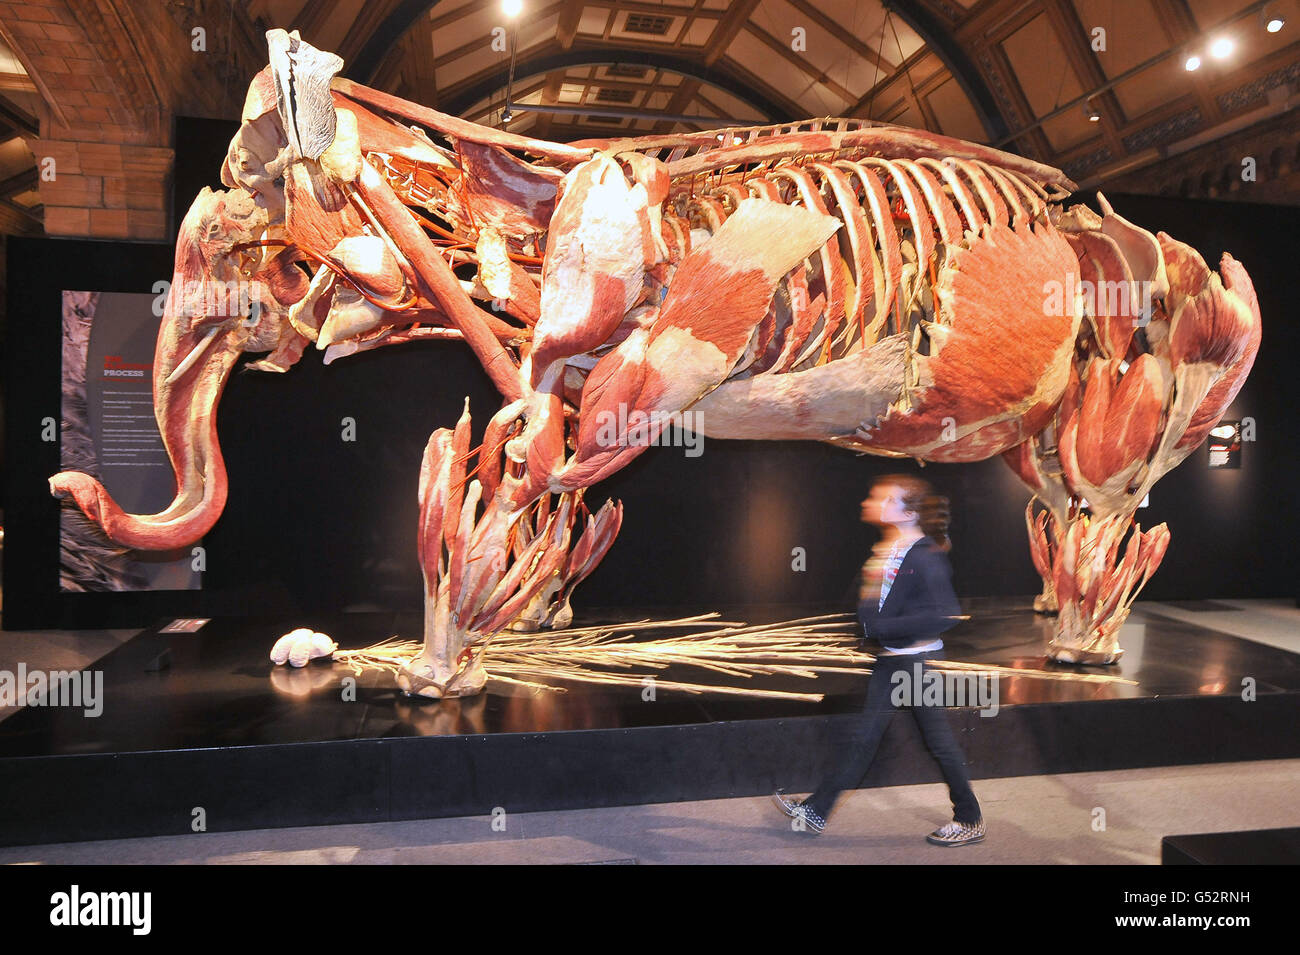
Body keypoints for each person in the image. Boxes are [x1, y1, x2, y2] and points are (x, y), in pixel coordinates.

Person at [773, 474, 985, 846]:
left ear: (908, 511)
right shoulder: (888, 550)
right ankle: (817, 810)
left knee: (939, 743)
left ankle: (970, 819)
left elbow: (945, 615)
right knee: (863, 739)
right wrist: (867, 629)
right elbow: (869, 613)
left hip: (920, 664)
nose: (872, 502)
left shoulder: (925, 555)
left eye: (886, 499)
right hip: (891, 661)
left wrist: (885, 629)